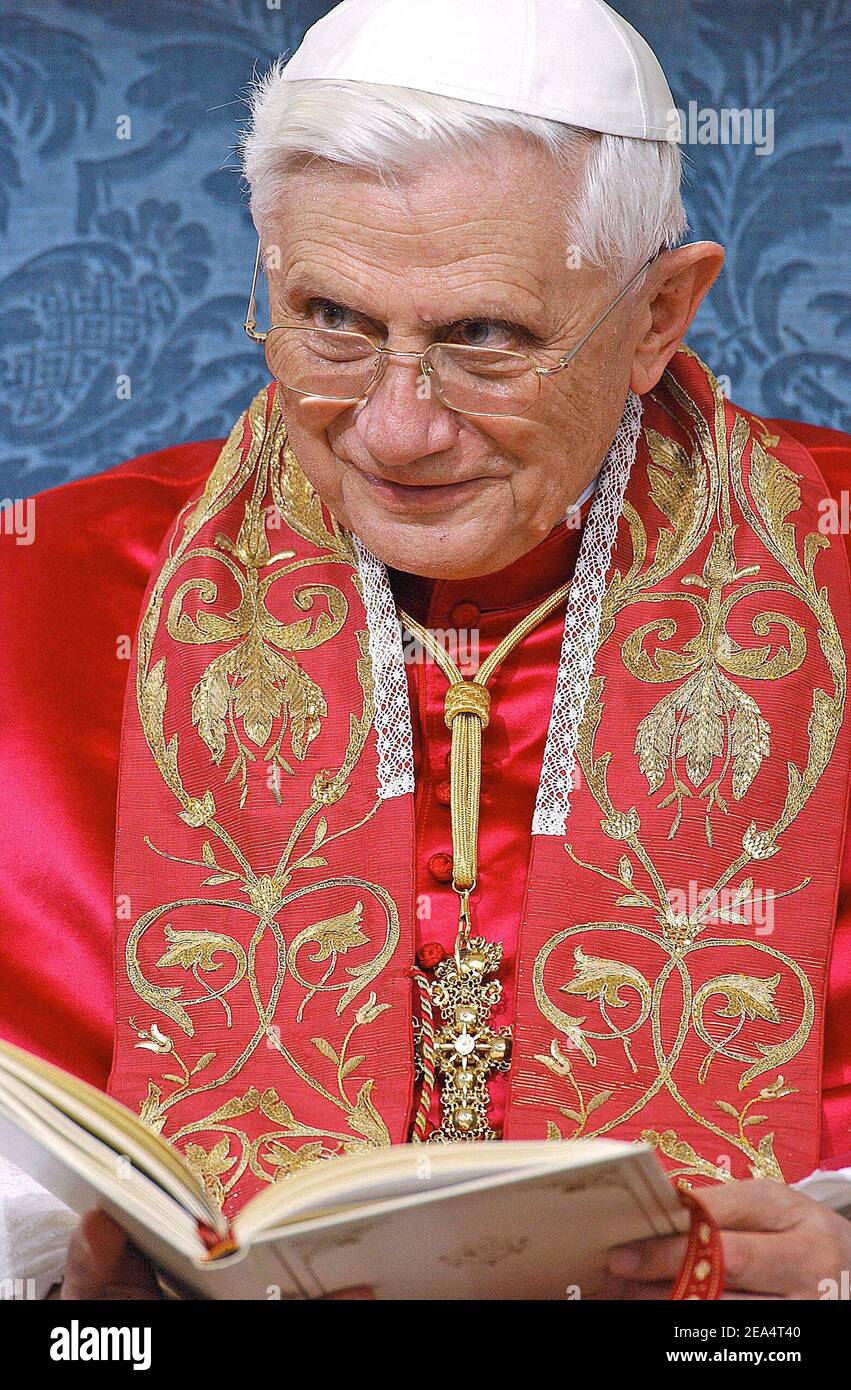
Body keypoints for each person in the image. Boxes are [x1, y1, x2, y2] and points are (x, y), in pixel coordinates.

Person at [3, 0, 851, 1300]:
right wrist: (83, 1321)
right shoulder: (39, 600)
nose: (396, 430)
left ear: (657, 315)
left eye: (483, 340)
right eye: (331, 318)